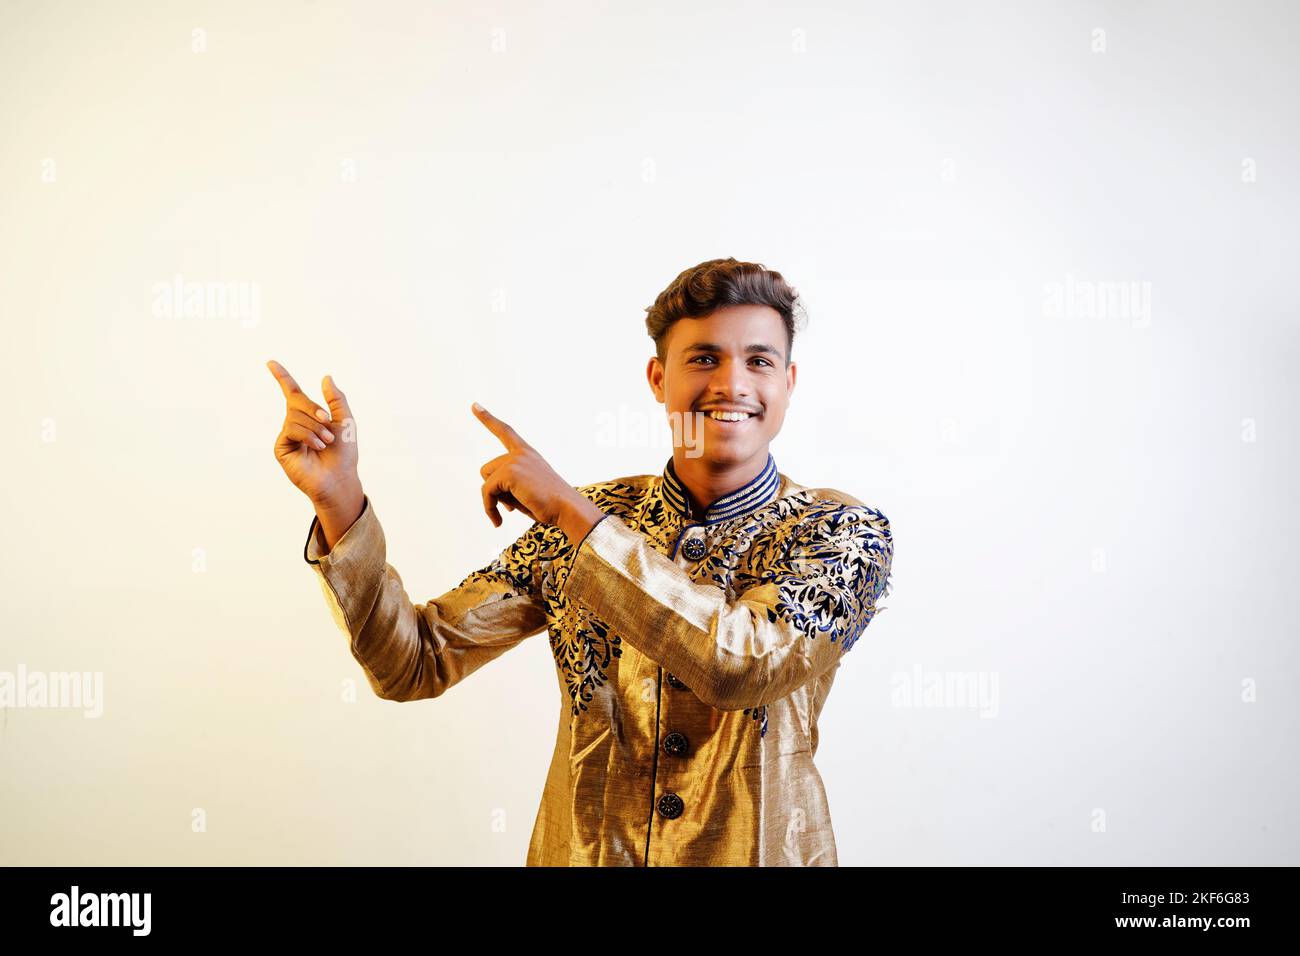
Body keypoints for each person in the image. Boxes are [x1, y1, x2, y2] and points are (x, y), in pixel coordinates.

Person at [268, 257, 894, 866]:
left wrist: (573, 514)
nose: (732, 383)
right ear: (657, 379)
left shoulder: (844, 532)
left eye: (759, 361)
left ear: (788, 383)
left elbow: (741, 665)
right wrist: (340, 502)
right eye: (704, 358)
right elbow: (417, 664)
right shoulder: (594, 513)